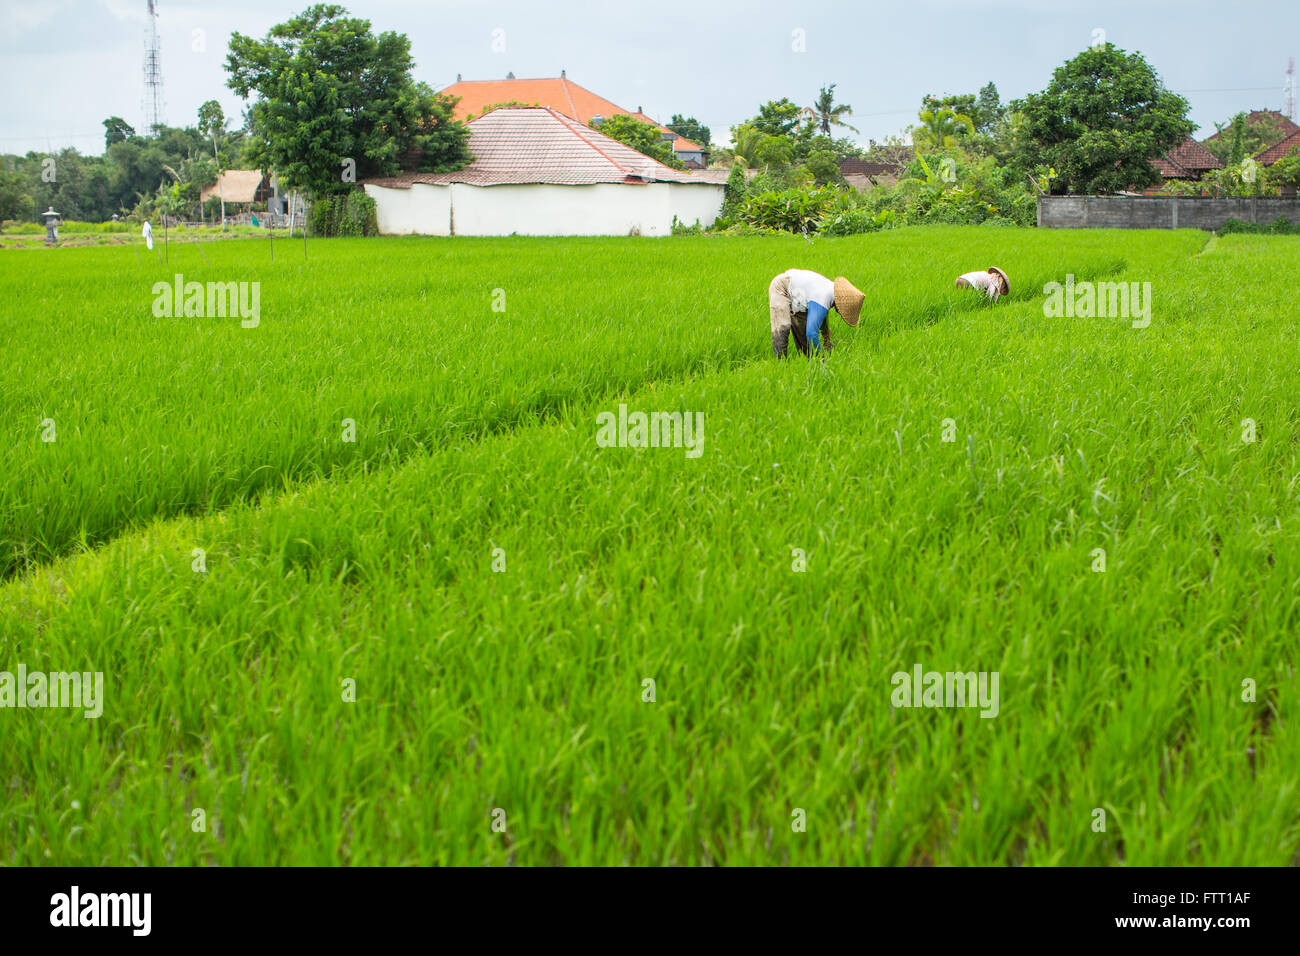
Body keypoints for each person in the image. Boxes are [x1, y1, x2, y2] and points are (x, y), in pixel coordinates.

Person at [768, 269, 865, 358]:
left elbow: (821, 316)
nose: (839, 312)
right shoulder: (823, 297)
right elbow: (811, 333)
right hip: (782, 287)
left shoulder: (830, 292)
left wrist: (826, 336)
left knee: (806, 345)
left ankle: (808, 367)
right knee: (782, 331)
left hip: (800, 297)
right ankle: (781, 365)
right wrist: (821, 357)